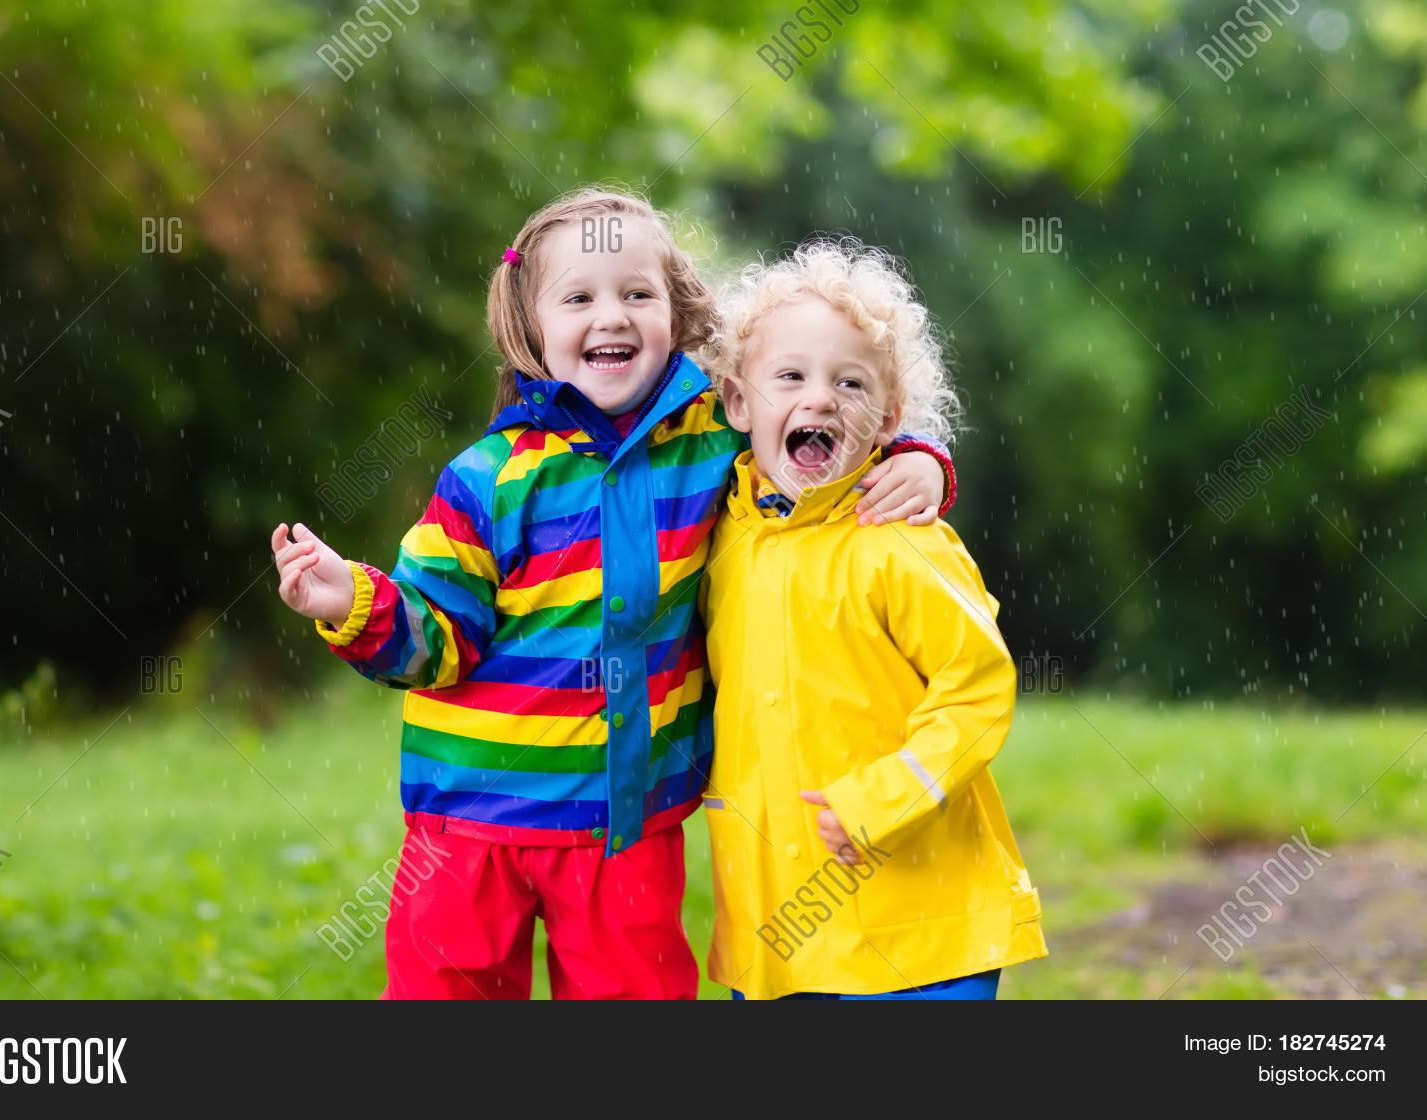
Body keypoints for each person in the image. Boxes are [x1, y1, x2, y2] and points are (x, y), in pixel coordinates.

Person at [269, 189, 957, 999]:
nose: (613, 316)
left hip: (625, 824)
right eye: (579, 298)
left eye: (638, 293)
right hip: (469, 824)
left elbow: (813, 420)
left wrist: (914, 454)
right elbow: (435, 641)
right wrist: (349, 603)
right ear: (532, 327)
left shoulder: (715, 433)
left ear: (676, 309)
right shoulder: (489, 480)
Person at [701, 238, 1046, 1000]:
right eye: (789, 377)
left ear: (889, 419)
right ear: (736, 402)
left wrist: (883, 797)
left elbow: (978, 685)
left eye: (849, 383)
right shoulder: (716, 538)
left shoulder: (900, 542)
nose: (819, 399)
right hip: (776, 927)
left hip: (920, 926)